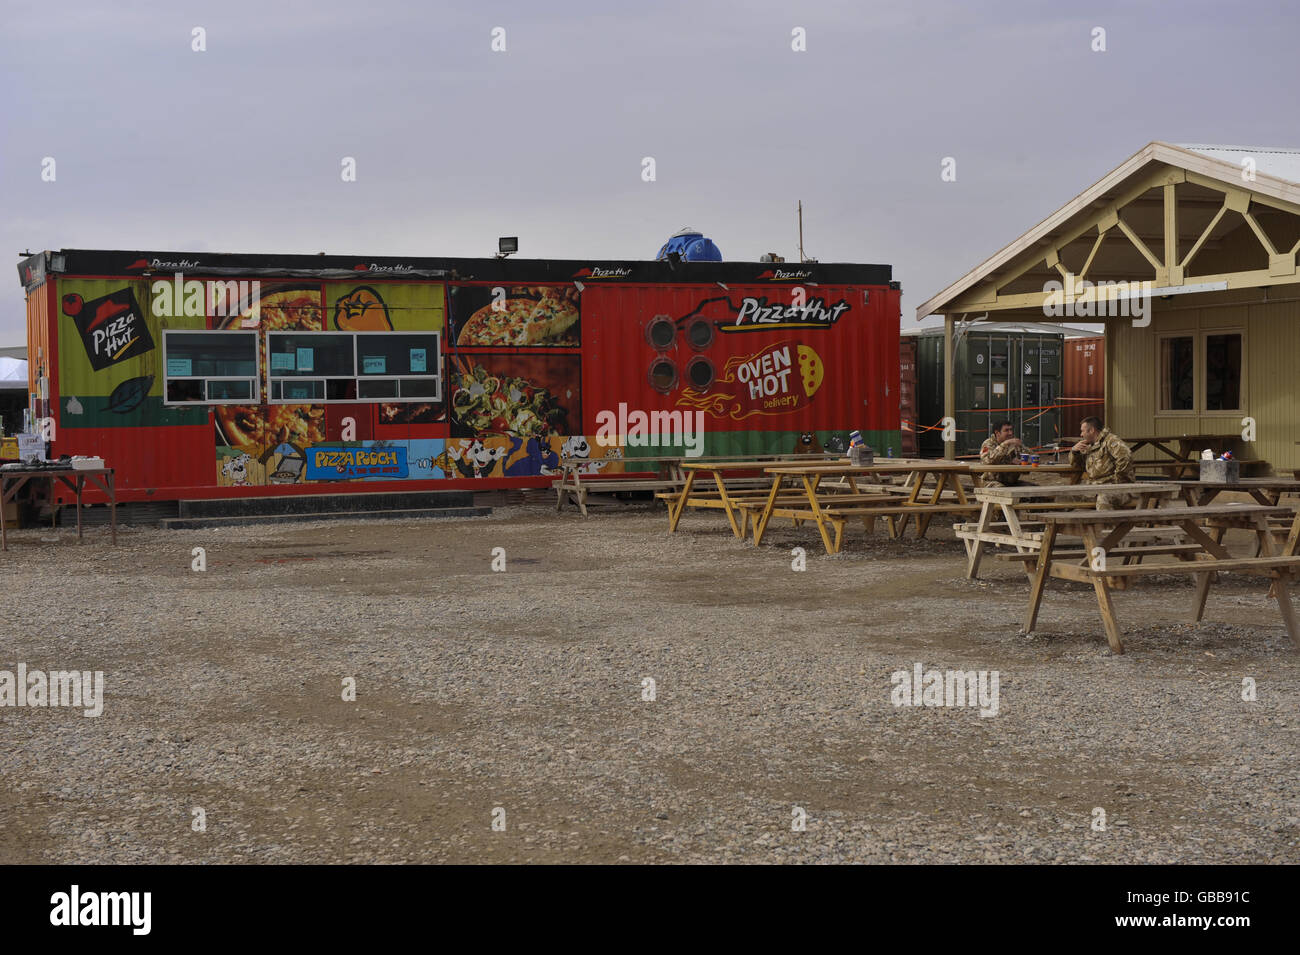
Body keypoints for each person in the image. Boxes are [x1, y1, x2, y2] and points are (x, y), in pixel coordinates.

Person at [1069, 416, 1135, 509]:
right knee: (1066, 496)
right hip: (1093, 488)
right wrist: (1074, 452)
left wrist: (1118, 481)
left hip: (1116, 489)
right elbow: (1077, 466)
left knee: (1103, 500)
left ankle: (1105, 524)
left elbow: (1125, 458)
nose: (1081, 434)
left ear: (1091, 430)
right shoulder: (1088, 445)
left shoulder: (1110, 440)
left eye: (1083, 431)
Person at [979, 420, 1025, 487]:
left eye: (1011, 430)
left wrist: (1023, 461)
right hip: (991, 481)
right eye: (1006, 430)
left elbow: (1032, 457)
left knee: (1034, 490)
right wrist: (1005, 444)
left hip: (1011, 482)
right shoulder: (988, 444)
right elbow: (988, 460)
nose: (1010, 433)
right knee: (1003, 490)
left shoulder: (1014, 444)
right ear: (997, 433)